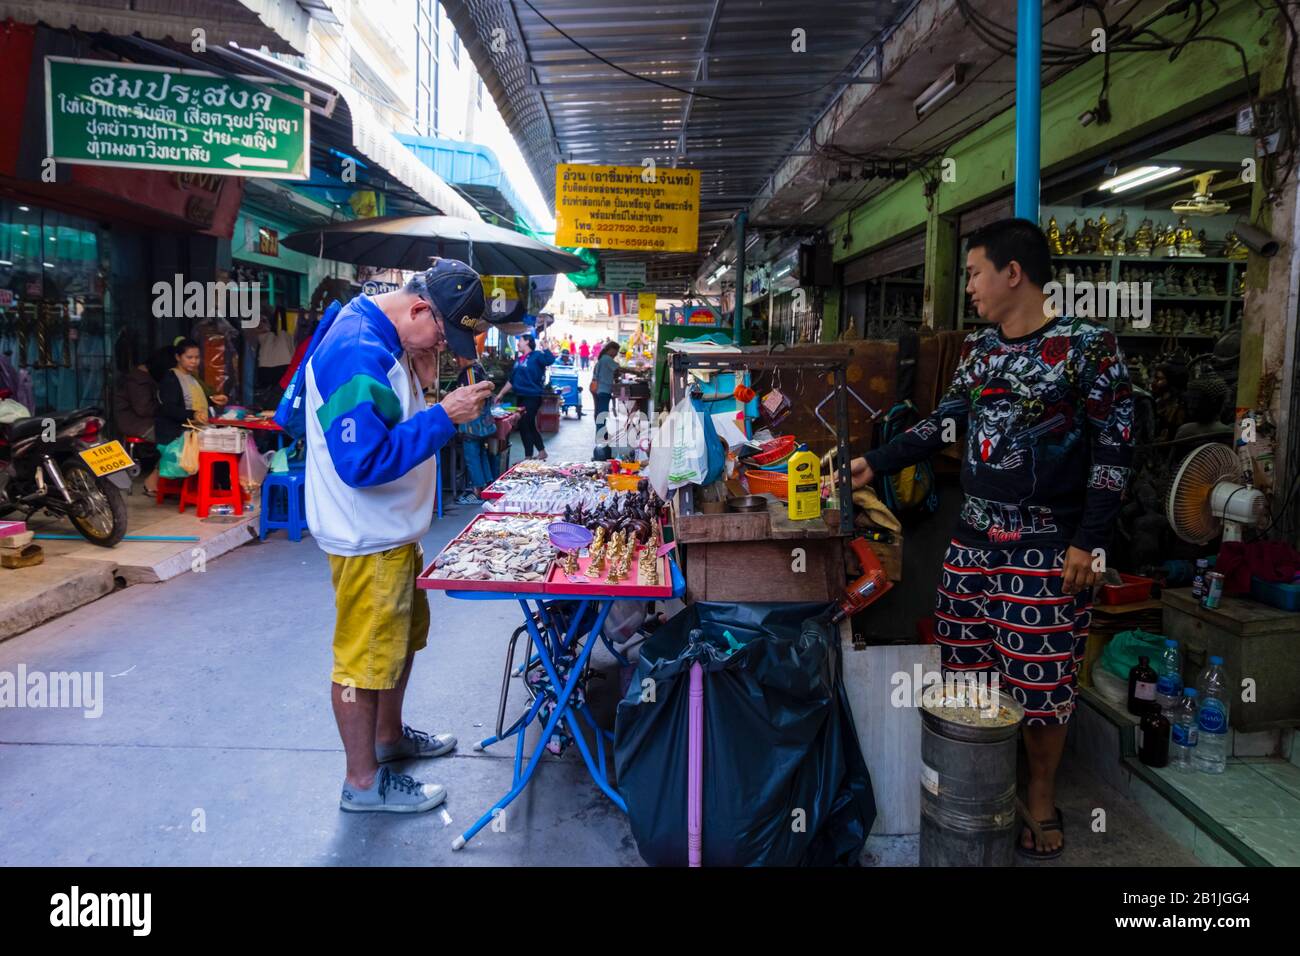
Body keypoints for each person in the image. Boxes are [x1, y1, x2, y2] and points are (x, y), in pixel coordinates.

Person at [849, 218, 1134, 860]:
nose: (969, 287)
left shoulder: (1088, 348)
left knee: (1040, 681)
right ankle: (985, 788)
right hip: (974, 539)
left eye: (975, 272)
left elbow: (1115, 451)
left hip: (1049, 545)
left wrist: (1090, 542)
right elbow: (946, 423)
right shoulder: (982, 353)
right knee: (969, 670)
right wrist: (880, 461)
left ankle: (1038, 795)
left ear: (1014, 272)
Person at [303, 260, 495, 814]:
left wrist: (426, 379)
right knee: (363, 662)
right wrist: (444, 416)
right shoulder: (360, 350)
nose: (443, 345)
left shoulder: (387, 339)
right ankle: (361, 784)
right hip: (368, 537)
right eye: (441, 334)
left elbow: (386, 420)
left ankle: (390, 740)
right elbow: (361, 461)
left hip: (394, 533)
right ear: (417, 308)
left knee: (397, 645)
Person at [156, 337, 227, 448]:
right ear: (178, 357)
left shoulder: (191, 377)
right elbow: (169, 408)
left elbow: (190, 399)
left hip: (192, 433)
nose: (194, 361)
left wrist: (213, 401)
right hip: (175, 438)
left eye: (197, 357)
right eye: (189, 357)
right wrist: (193, 414)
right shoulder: (171, 379)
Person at [113, 349, 167, 494]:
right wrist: (167, 408)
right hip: (137, 424)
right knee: (175, 440)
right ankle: (153, 481)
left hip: (144, 421)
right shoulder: (138, 381)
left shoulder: (141, 377)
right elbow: (144, 409)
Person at [495, 334, 554, 460]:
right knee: (527, 425)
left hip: (532, 396)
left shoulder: (537, 356)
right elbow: (511, 381)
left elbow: (550, 360)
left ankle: (528, 456)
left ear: (527, 341)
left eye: (520, 340)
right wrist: (500, 394)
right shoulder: (519, 360)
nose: (518, 343)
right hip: (520, 397)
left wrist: (546, 348)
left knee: (525, 423)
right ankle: (541, 452)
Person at [453, 354, 498, 504]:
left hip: (473, 424)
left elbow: (472, 397)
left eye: (458, 357)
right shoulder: (478, 369)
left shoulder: (470, 373)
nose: (457, 360)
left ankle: (477, 491)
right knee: (481, 453)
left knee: (472, 456)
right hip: (481, 423)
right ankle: (487, 487)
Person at [592, 340, 620, 448]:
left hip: (600, 390)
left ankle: (602, 435)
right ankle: (601, 437)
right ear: (611, 349)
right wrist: (636, 372)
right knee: (602, 414)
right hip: (604, 390)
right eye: (616, 351)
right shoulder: (607, 359)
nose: (616, 354)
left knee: (600, 413)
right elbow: (618, 368)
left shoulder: (602, 358)